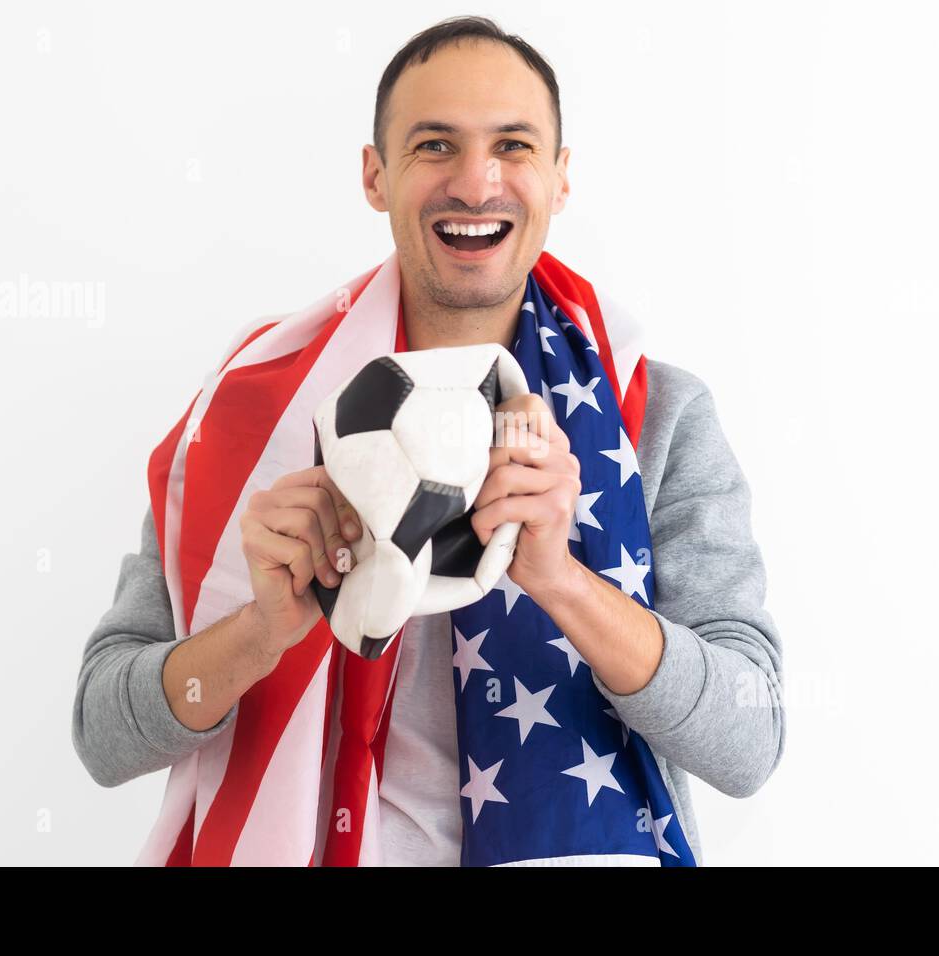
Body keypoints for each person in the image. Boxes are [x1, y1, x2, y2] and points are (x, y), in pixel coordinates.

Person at [72, 15, 784, 866]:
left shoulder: (655, 412)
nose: (477, 185)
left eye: (514, 146)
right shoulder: (255, 409)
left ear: (561, 179)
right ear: (375, 176)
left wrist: (564, 584)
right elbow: (102, 737)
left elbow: (750, 744)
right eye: (435, 146)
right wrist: (260, 630)